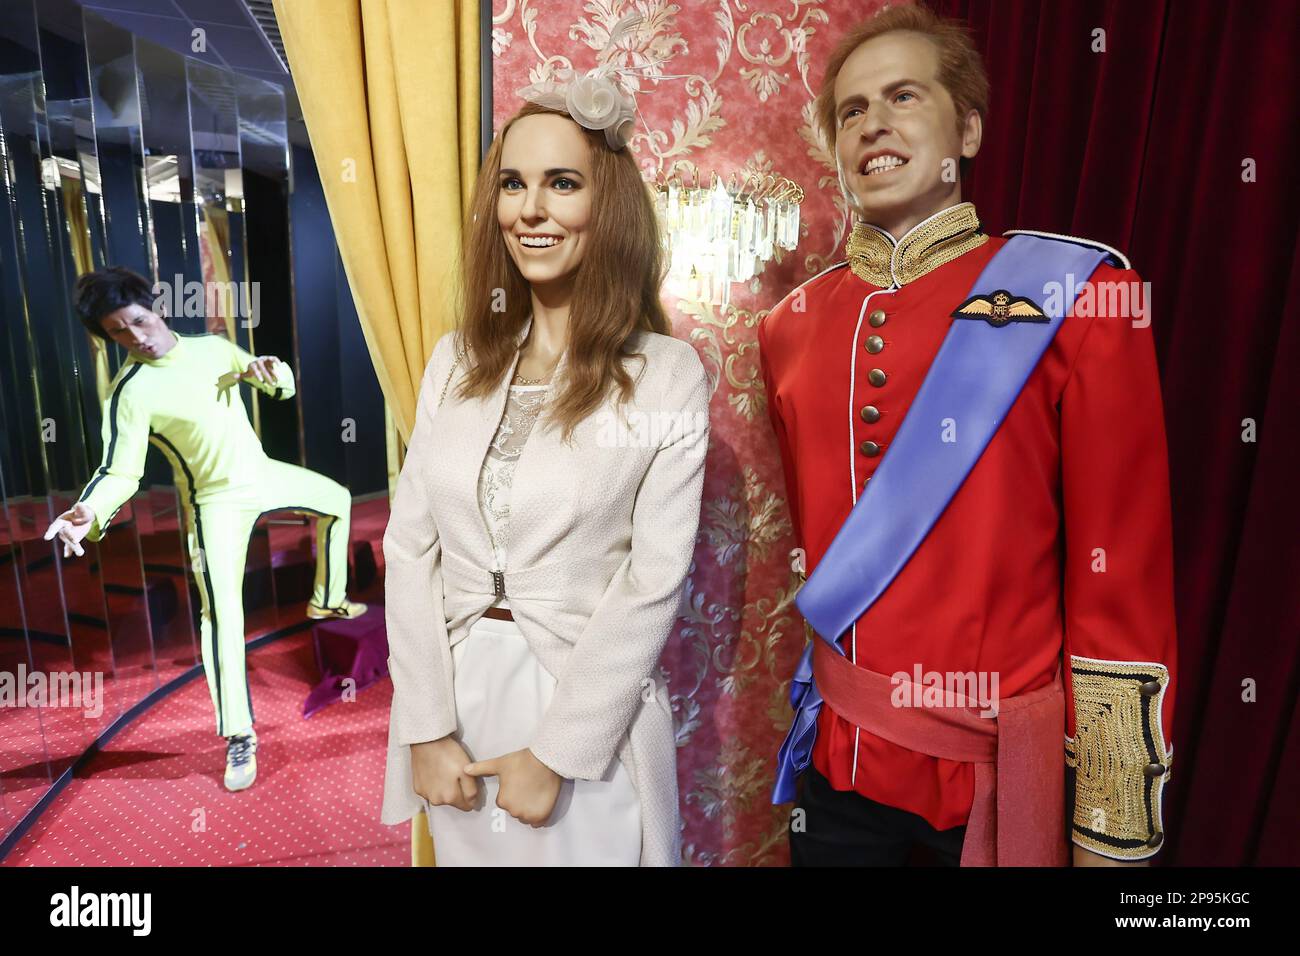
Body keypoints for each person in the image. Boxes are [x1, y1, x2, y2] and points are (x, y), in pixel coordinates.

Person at [761, 4, 1176, 866]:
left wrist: (1109, 830)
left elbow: (1121, 585)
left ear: (970, 129)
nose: (873, 122)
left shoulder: (1078, 296)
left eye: (904, 96)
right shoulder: (790, 327)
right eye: (851, 110)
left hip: (990, 787)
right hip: (837, 775)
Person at [378, 92, 709, 866]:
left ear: (609, 203)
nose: (531, 208)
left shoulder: (664, 375)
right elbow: (409, 549)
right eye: (512, 183)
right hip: (458, 713)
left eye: (562, 182)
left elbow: (655, 580)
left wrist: (557, 752)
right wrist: (424, 725)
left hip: (583, 715)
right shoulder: (455, 362)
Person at [45, 266, 367, 792]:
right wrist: (90, 510)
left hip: (262, 474)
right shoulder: (130, 393)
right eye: (118, 333)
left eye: (139, 321)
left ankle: (327, 599)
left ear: (158, 307)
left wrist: (270, 371)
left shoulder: (215, 349)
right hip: (214, 503)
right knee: (222, 613)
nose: (137, 338)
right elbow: (121, 471)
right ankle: (239, 734)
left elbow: (277, 384)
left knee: (337, 498)